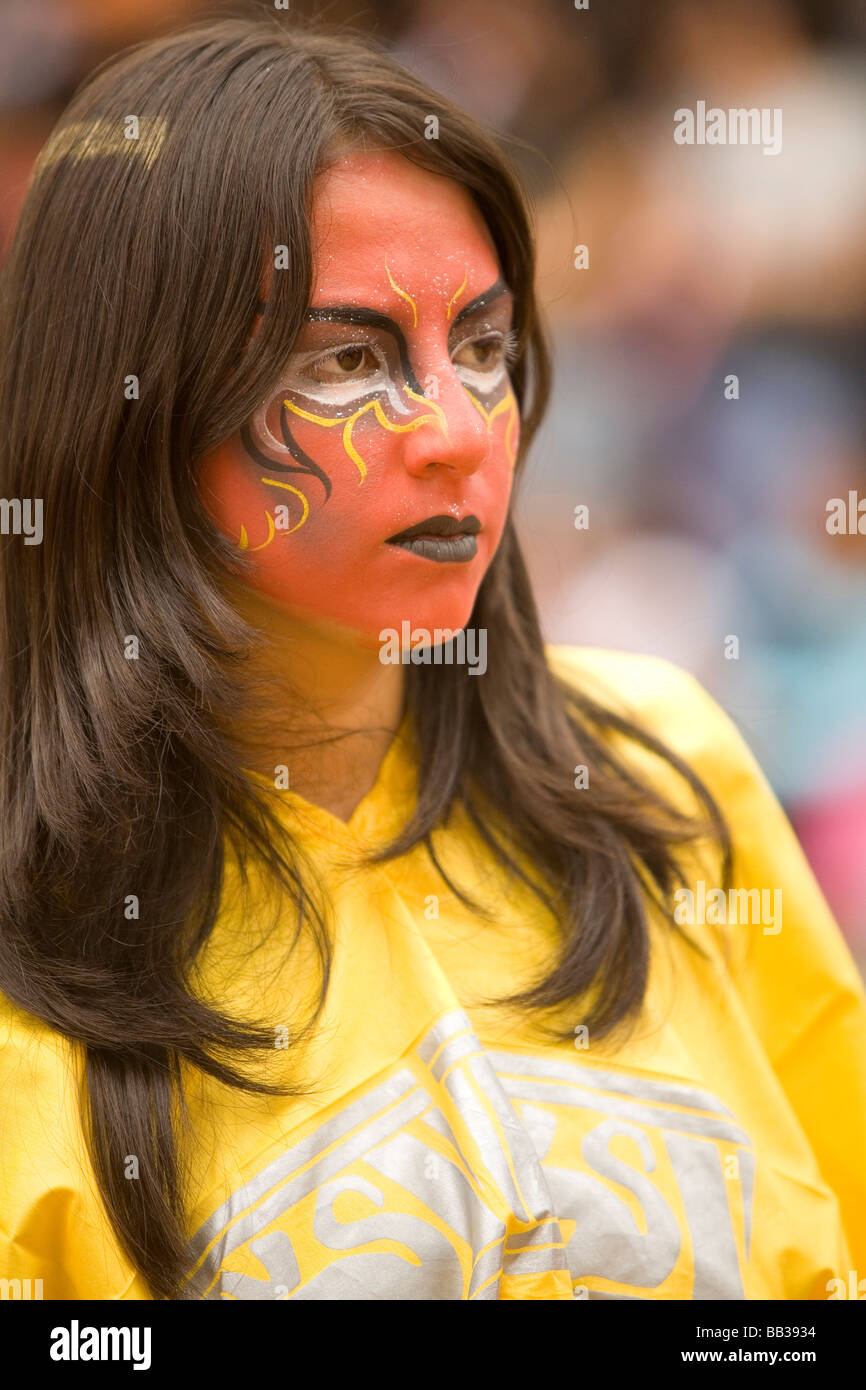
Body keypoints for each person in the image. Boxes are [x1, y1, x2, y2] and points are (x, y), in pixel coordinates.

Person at [0, 16, 863, 1303]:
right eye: (348, 358)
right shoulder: (40, 951)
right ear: (135, 402)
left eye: (479, 345)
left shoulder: (661, 769)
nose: (456, 431)